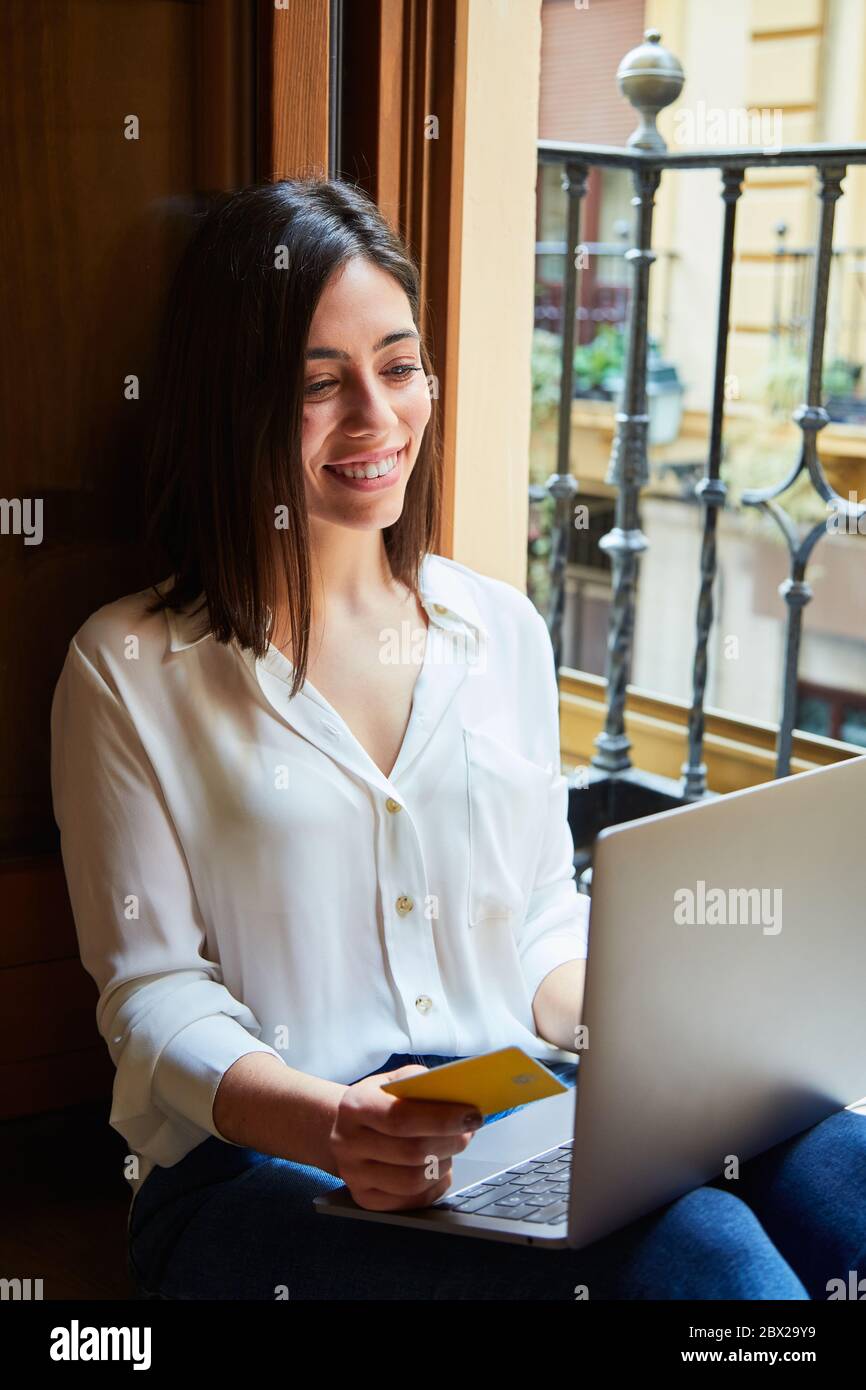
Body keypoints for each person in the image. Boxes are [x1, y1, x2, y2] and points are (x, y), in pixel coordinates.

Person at [50, 178, 866, 1301]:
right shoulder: (129, 666)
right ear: (230, 403)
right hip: (258, 1169)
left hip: (512, 1107)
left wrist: (637, 1025)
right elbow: (150, 995)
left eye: (397, 366)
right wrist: (327, 1121)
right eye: (317, 384)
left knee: (842, 1168)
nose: (376, 420)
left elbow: (534, 914)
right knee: (707, 1260)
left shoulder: (499, 630)